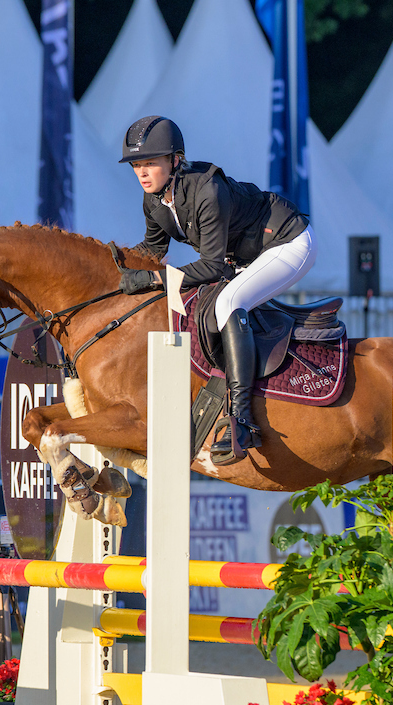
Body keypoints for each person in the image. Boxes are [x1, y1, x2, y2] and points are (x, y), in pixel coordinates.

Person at [116, 116, 317, 466]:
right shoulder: (153, 202)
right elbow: (151, 253)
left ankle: (242, 421)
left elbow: (212, 267)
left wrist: (151, 280)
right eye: (136, 165)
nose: (142, 173)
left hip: (287, 242)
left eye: (150, 163)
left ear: (176, 161)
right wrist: (111, 266)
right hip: (246, 255)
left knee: (229, 301)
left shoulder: (207, 188)